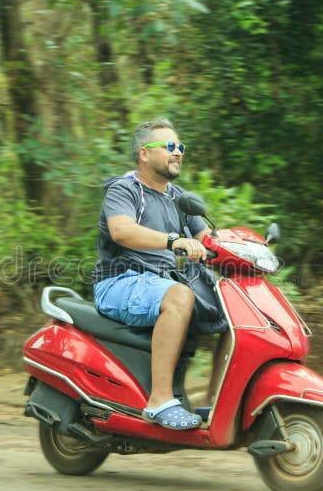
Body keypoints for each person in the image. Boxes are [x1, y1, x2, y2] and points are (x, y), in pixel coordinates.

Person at [92, 117, 227, 431]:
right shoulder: (125, 189)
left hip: (159, 284)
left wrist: (244, 248)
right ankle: (160, 401)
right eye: (169, 146)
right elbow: (121, 230)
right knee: (181, 295)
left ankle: (216, 401)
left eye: (180, 146)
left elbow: (208, 238)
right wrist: (173, 240)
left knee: (230, 307)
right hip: (119, 281)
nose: (177, 152)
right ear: (144, 154)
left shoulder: (177, 197)